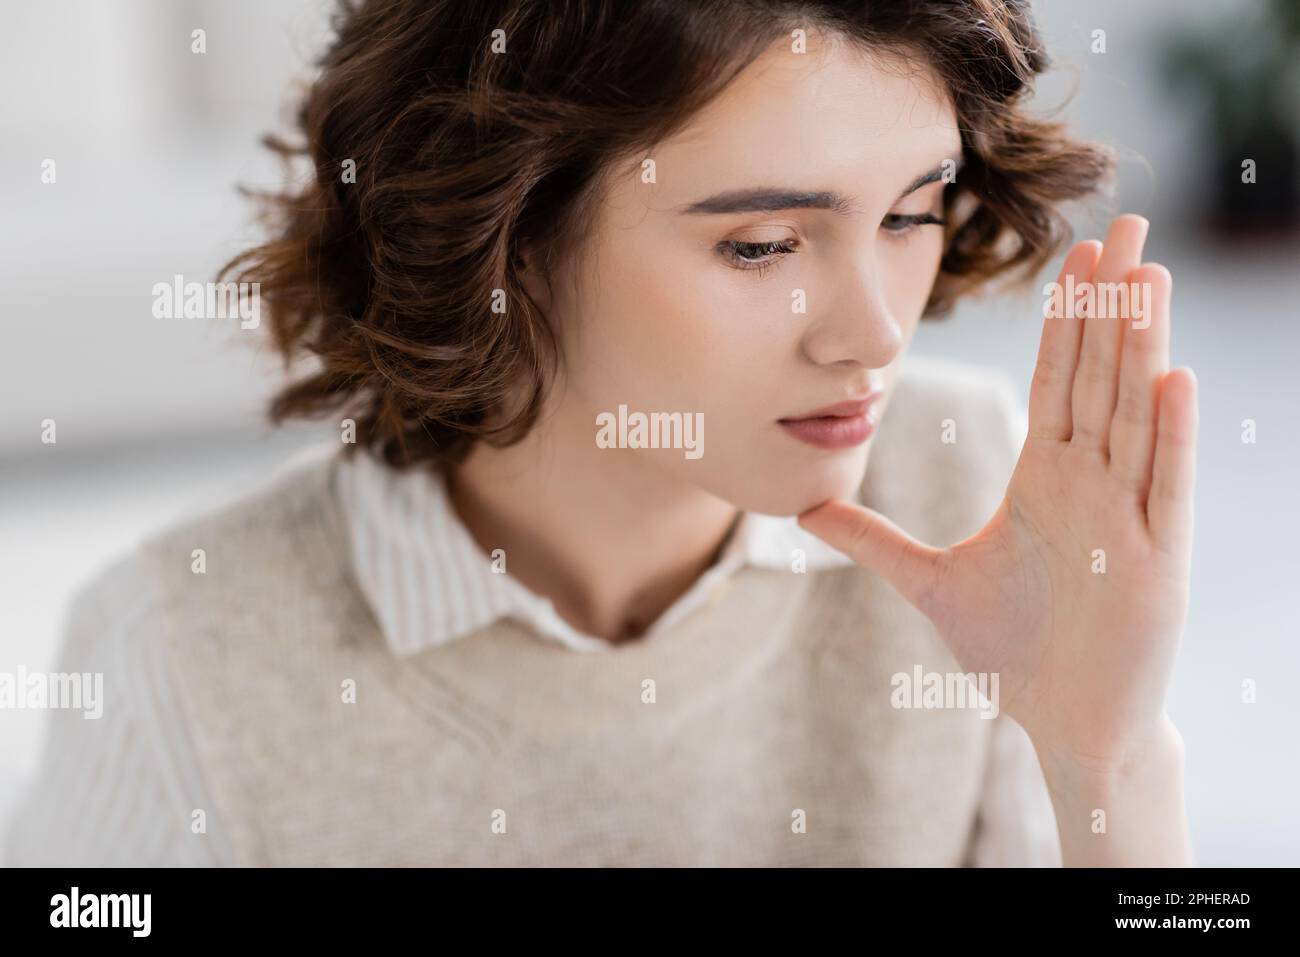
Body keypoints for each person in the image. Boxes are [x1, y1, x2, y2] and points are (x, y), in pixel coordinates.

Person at [5, 0, 1195, 867]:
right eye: (762, 245)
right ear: (505, 235)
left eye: (909, 214)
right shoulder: (178, 647)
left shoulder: (980, 495)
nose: (875, 335)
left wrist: (1107, 759)